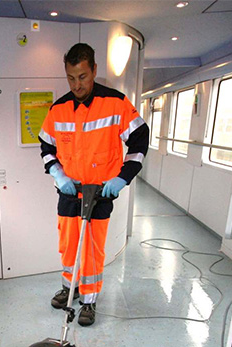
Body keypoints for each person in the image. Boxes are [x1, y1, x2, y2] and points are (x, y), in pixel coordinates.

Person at [39, 43, 149, 326]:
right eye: (71, 78)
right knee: (68, 246)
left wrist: (122, 179)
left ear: (94, 71)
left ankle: (89, 300)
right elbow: (46, 147)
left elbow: (139, 141)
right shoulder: (59, 109)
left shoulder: (116, 103)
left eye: (83, 77)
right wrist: (59, 175)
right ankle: (70, 287)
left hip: (100, 193)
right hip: (68, 192)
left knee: (92, 248)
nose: (77, 84)